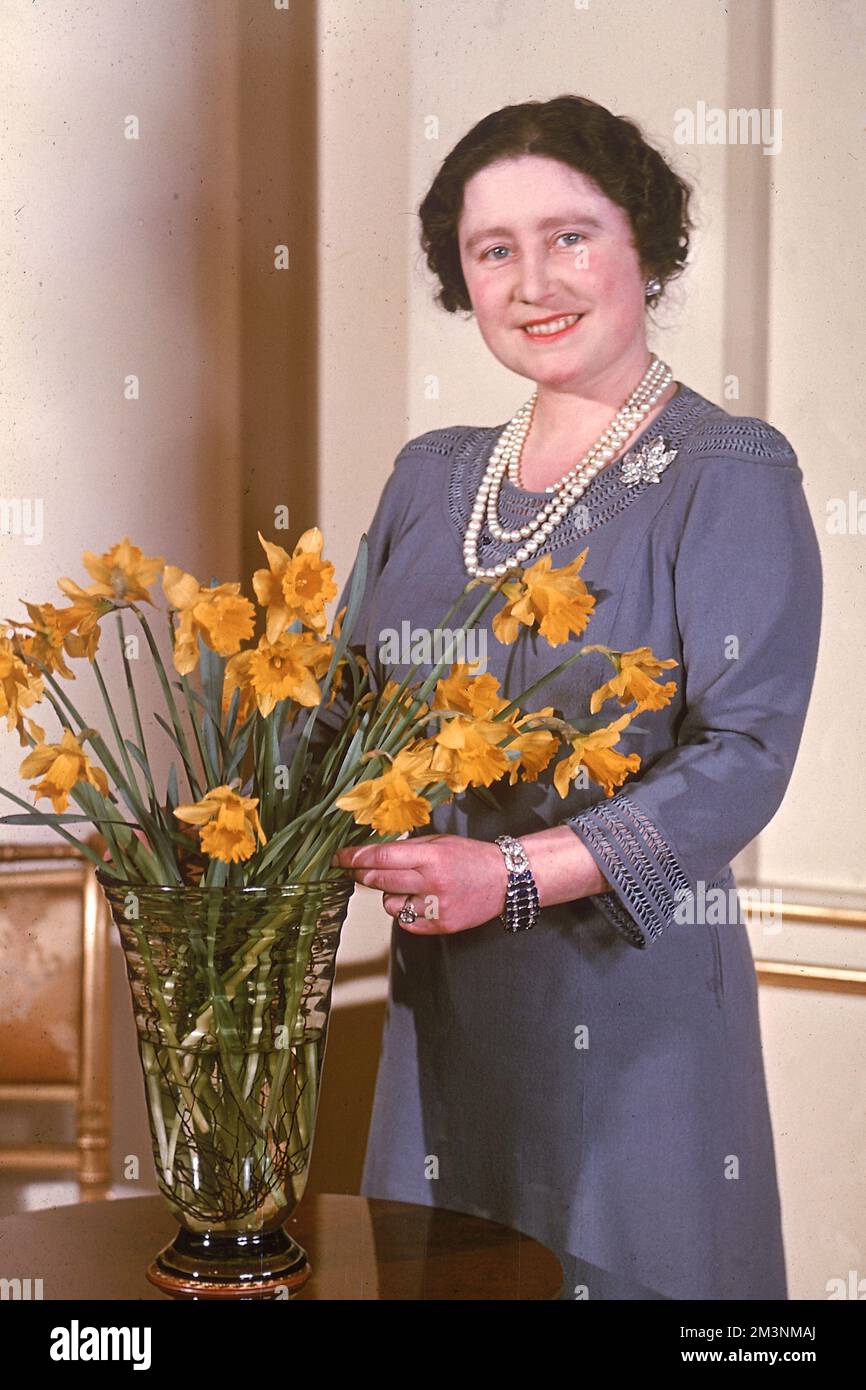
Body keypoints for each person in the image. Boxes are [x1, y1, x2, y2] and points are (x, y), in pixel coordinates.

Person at [286, 96, 823, 1300]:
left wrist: (511, 873)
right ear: (460, 278)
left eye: (568, 236)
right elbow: (338, 718)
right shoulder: (428, 477)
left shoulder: (727, 472)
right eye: (493, 250)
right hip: (445, 1019)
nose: (532, 282)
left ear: (645, 245)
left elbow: (742, 756)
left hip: (629, 1014)